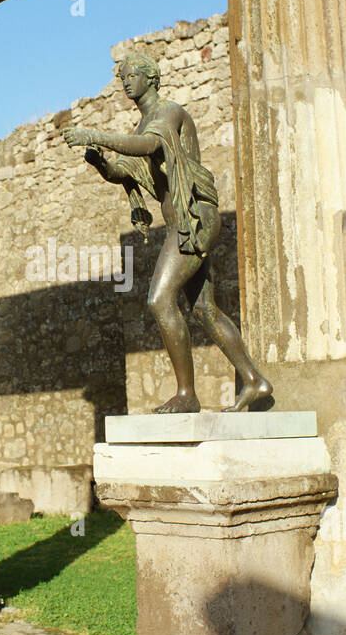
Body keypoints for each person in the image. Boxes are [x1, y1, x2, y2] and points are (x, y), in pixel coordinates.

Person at [62, 52, 272, 413]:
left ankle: (187, 395)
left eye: (132, 74)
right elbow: (122, 171)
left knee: (159, 299)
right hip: (184, 224)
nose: (126, 81)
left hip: (193, 219)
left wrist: (96, 134)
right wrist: (100, 162)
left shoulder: (168, 113)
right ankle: (255, 381)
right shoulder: (144, 125)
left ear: (151, 78)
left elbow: (150, 147)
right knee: (206, 311)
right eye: (122, 76)